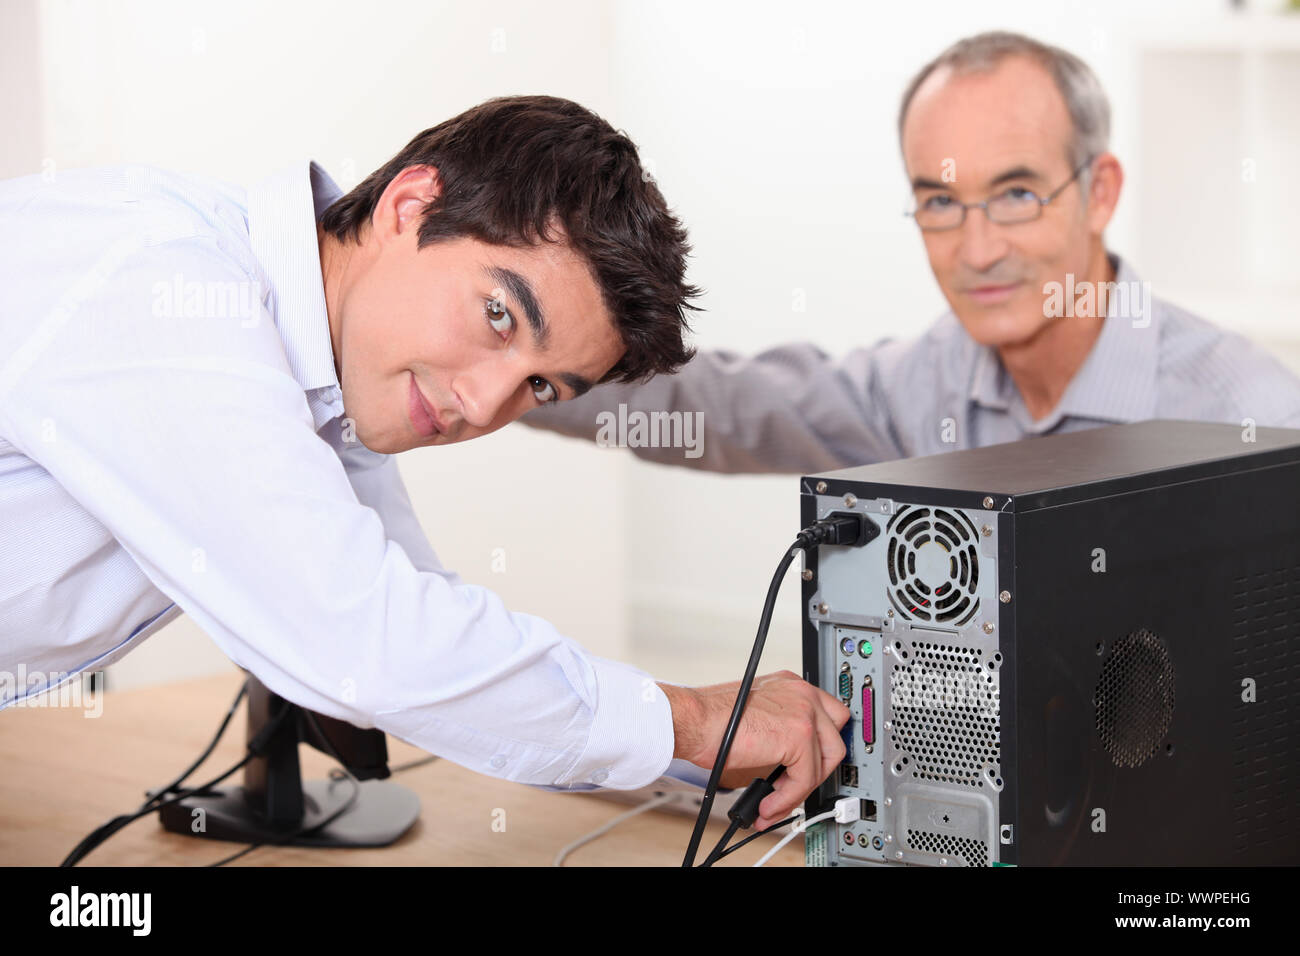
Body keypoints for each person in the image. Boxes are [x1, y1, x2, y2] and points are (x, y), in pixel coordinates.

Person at [0, 95, 847, 835]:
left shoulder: (324, 394)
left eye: (541, 387)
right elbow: (369, 638)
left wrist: (724, 750)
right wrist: (693, 721)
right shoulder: (162, 278)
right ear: (411, 204)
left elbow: (428, 630)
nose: (484, 406)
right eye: (499, 317)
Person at [522, 31, 1300, 471]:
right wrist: (514, 370)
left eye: (1018, 195)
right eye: (939, 201)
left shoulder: (1250, 415)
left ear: (1100, 191)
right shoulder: (929, 384)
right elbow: (721, 408)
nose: (978, 248)